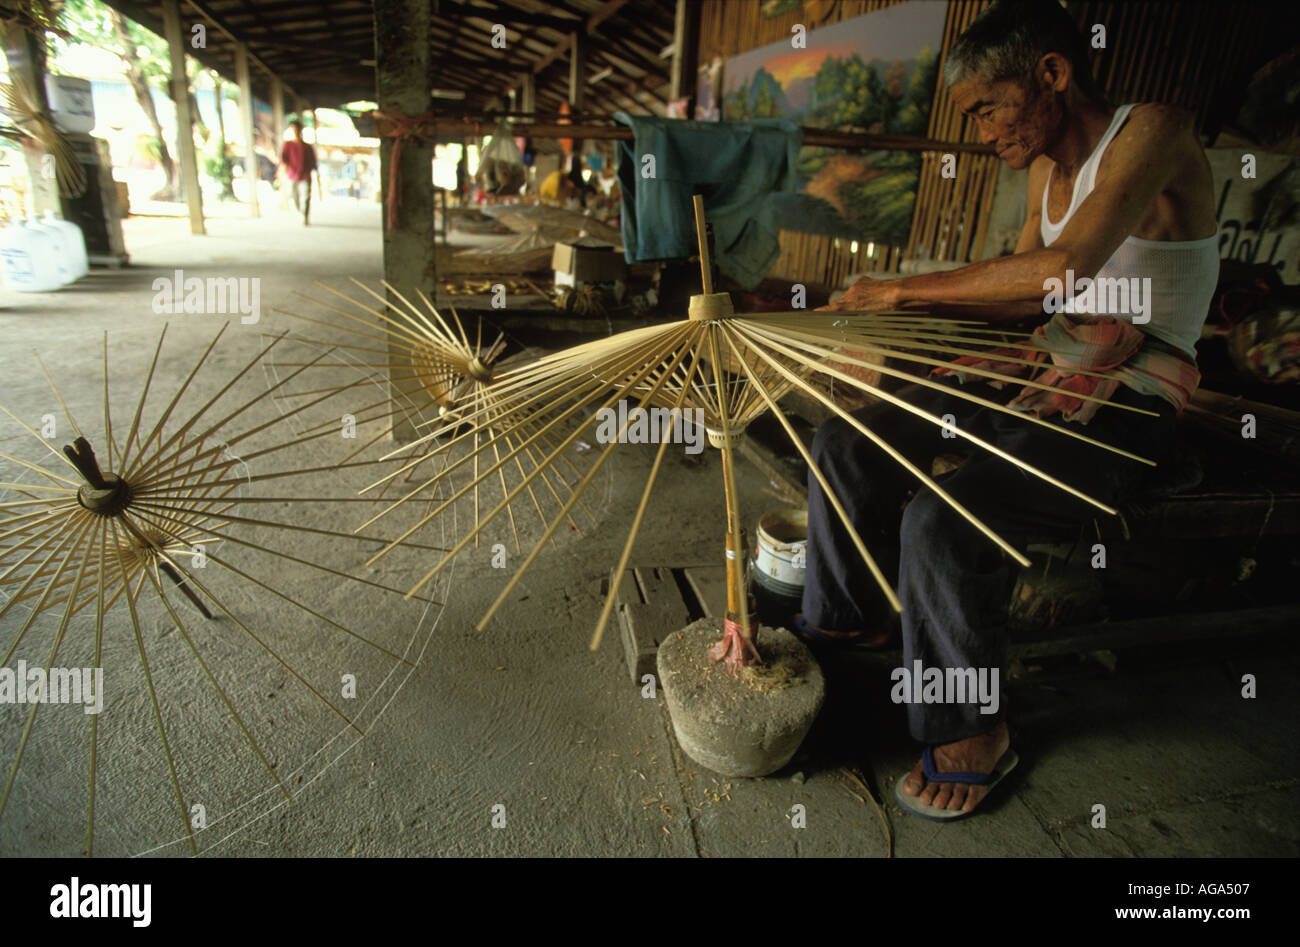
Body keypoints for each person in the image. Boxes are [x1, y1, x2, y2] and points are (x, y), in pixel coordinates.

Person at [799, 0, 1219, 819]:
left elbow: (1060, 271)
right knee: (847, 437)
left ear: (1053, 74)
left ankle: (973, 726)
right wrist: (896, 314)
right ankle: (849, 623)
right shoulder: (1041, 173)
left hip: (1133, 395)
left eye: (989, 107)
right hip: (1046, 363)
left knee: (945, 518)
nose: (984, 132)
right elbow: (1025, 301)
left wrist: (901, 285)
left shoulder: (1157, 129)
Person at [279, 119, 318, 225]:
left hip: (305, 175)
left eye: (296, 129)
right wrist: (282, 171)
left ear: (301, 130)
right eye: (293, 129)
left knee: (305, 196)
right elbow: (283, 159)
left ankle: (304, 215)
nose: (295, 131)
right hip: (292, 175)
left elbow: (313, 161)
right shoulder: (287, 145)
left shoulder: (307, 147)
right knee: (293, 196)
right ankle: (300, 212)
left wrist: (316, 176)